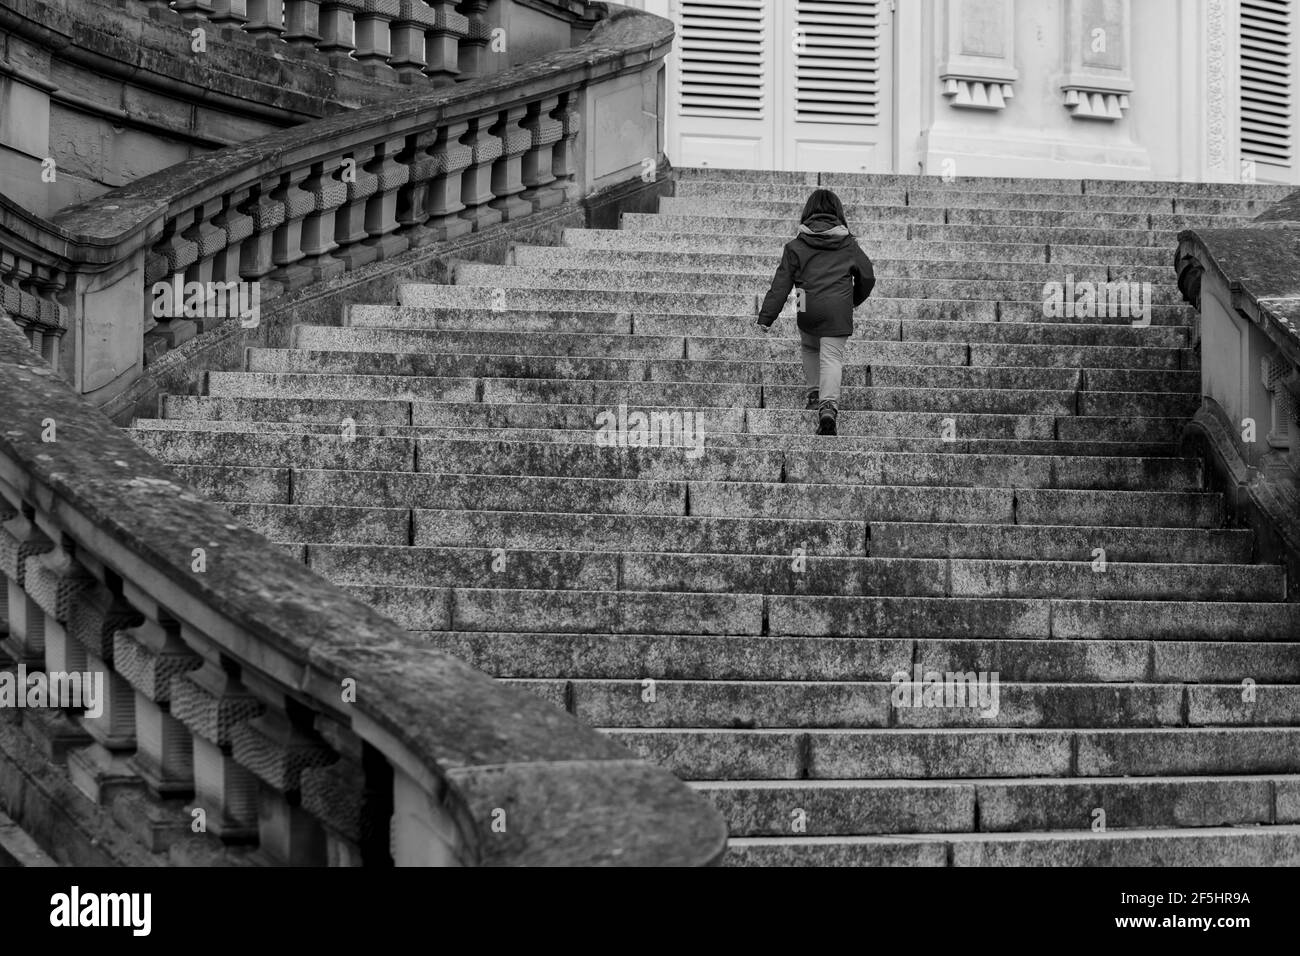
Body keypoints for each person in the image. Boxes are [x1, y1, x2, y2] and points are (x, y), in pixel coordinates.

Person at [754, 188, 875, 436]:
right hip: (837, 308)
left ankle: (813, 393)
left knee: (810, 347)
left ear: (807, 213)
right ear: (838, 213)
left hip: (806, 304)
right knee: (831, 356)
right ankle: (828, 406)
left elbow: (780, 285)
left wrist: (766, 317)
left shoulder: (795, 245)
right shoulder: (849, 244)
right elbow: (868, 277)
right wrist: (853, 299)